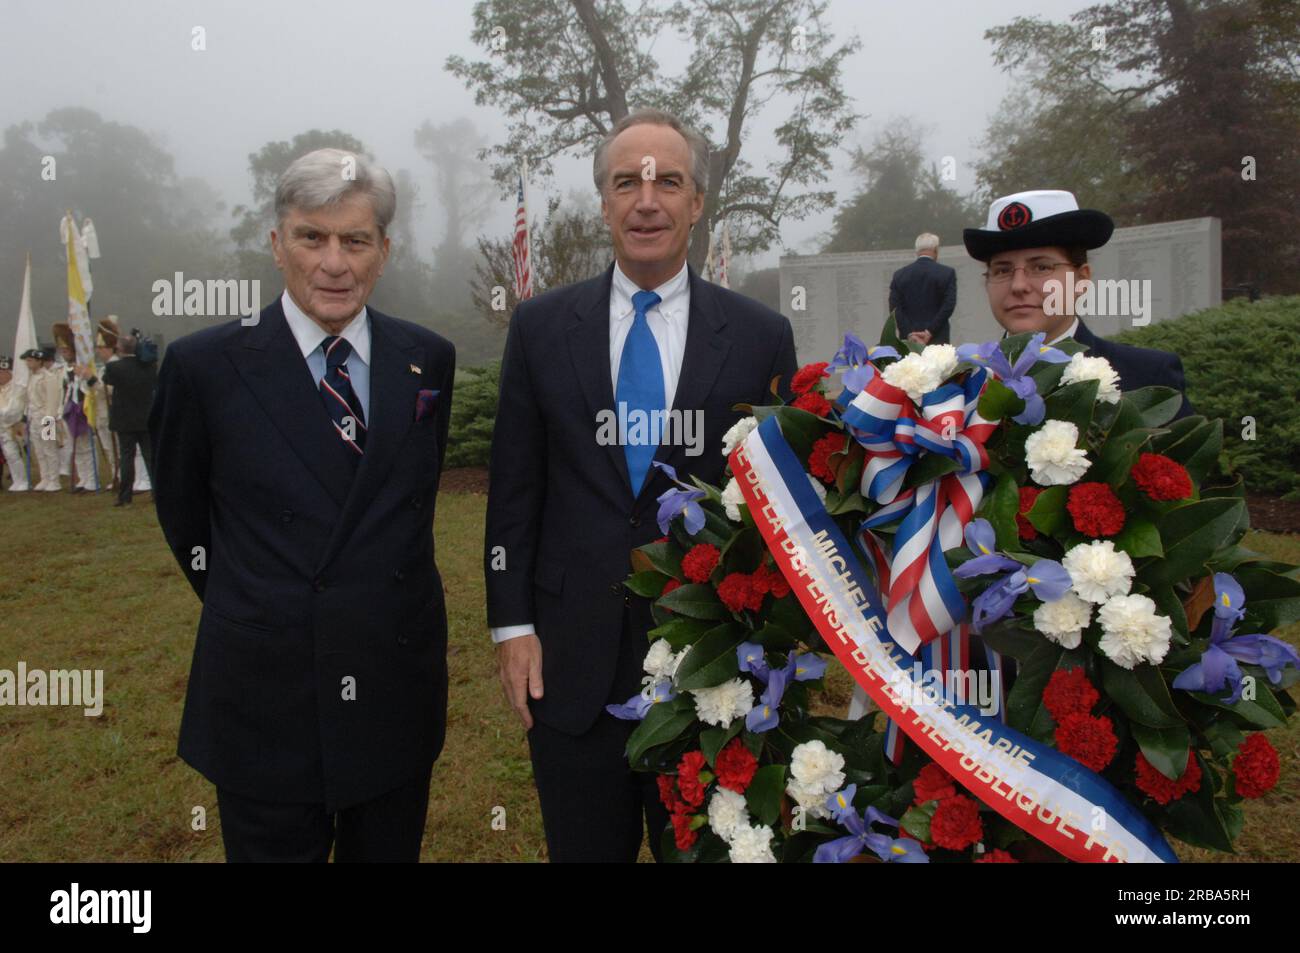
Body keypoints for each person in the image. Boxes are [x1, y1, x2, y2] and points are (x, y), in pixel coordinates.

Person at [485, 108, 798, 862]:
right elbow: (514, 492)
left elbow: (783, 505)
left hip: (713, 667)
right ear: (604, 202)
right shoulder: (539, 327)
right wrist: (511, 626)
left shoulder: (760, 336)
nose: (646, 200)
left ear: (697, 203)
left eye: (668, 181)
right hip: (570, 666)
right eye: (626, 182)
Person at [149, 147, 456, 862]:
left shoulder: (426, 359)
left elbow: (407, 500)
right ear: (277, 242)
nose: (334, 262)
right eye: (312, 236)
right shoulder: (205, 368)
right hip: (266, 699)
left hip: (392, 687)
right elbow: (185, 516)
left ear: (384, 250)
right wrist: (264, 601)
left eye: (355, 240)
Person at [963, 189, 1193, 417]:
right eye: (1003, 270)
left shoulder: (1147, 377)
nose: (1018, 285)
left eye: (1042, 267)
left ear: (1081, 279)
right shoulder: (960, 384)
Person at [99, 332, 157, 507]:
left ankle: (125, 495)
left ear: (119, 348)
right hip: (145, 417)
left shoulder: (114, 367)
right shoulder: (149, 367)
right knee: (149, 456)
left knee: (127, 457)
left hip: (124, 419)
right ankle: (158, 491)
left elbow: (105, 381)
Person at [52, 325, 101, 493]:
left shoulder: (84, 366)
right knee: (76, 447)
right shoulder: (65, 369)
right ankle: (84, 478)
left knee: (87, 445)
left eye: (66, 350)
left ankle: (92, 480)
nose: (63, 353)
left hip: (82, 407)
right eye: (61, 350)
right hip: (69, 408)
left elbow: (89, 388)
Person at [889, 232, 957, 346]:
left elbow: (894, 308)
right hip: (938, 339)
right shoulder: (947, 273)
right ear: (936, 250)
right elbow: (948, 305)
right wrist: (930, 331)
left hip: (909, 342)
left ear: (917, 251)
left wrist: (910, 334)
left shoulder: (900, 275)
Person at [22, 347, 62, 492]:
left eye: (30, 360)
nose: (27, 363)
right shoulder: (32, 377)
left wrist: (49, 419)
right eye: (27, 360)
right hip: (34, 417)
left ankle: (54, 480)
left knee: (49, 449)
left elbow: (52, 400)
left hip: (46, 417)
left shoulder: (48, 377)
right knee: (38, 450)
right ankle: (44, 477)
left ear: (39, 361)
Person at [0, 356, 29, 491]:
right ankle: (18, 480)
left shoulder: (16, 388)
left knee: (48, 448)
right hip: (4, 427)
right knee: (10, 455)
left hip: (47, 419)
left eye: (3, 371)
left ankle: (54, 476)